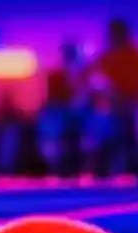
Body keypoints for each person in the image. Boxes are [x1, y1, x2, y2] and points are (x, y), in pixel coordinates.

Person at [90, 18, 138, 176]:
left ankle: (134, 174)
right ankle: (105, 174)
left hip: (127, 107)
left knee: (128, 143)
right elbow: (93, 74)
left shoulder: (134, 57)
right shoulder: (109, 57)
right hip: (113, 109)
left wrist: (125, 96)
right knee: (109, 143)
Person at [38, 42, 88, 176]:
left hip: (79, 121)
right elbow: (51, 99)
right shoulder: (56, 76)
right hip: (60, 118)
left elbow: (87, 99)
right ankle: (58, 167)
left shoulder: (84, 76)